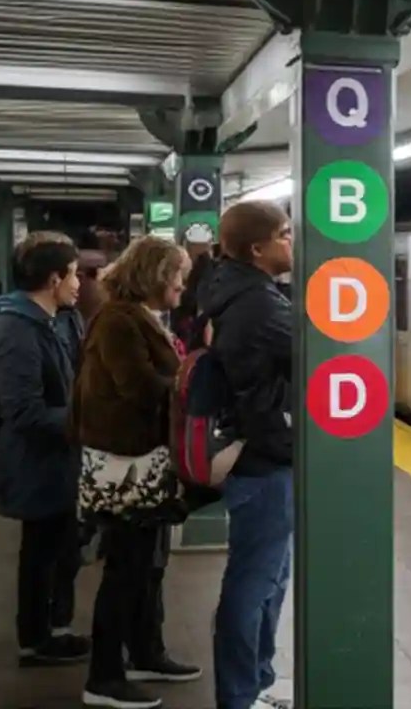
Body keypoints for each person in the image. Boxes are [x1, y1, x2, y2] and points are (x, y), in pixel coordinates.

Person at [72, 236, 199, 709]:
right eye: (178, 275)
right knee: (126, 569)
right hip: (126, 467)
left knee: (149, 565)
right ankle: (104, 677)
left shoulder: (136, 316)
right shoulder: (117, 320)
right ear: (156, 276)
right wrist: (191, 382)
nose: (183, 286)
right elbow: (138, 386)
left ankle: (146, 652)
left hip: (143, 462)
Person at [0, 231, 90, 666]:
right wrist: (88, 423)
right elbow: (22, 410)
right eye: (74, 274)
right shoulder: (15, 331)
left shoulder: (47, 322)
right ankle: (36, 637)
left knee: (58, 548)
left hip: (54, 460)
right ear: (53, 278)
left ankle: (52, 629)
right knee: (41, 552)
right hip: (34, 463)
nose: (79, 283)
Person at [202, 202, 294, 709]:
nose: (292, 243)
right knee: (253, 583)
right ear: (258, 248)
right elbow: (320, 355)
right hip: (263, 460)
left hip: (257, 455)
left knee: (269, 580)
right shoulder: (260, 305)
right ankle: (239, 696)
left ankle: (254, 685)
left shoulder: (236, 291)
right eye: (284, 235)